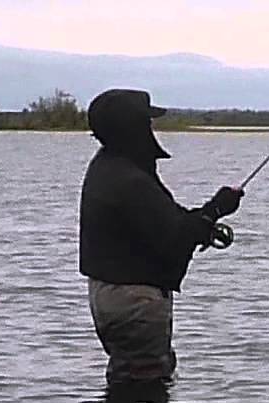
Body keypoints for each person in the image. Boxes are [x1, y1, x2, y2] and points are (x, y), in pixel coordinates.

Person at [79, 88, 244, 385]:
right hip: (134, 302)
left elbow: (163, 222)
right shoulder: (130, 180)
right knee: (146, 384)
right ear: (132, 128)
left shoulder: (107, 167)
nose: (150, 129)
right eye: (146, 123)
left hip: (111, 296)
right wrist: (215, 210)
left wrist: (203, 219)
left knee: (129, 380)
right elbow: (174, 237)